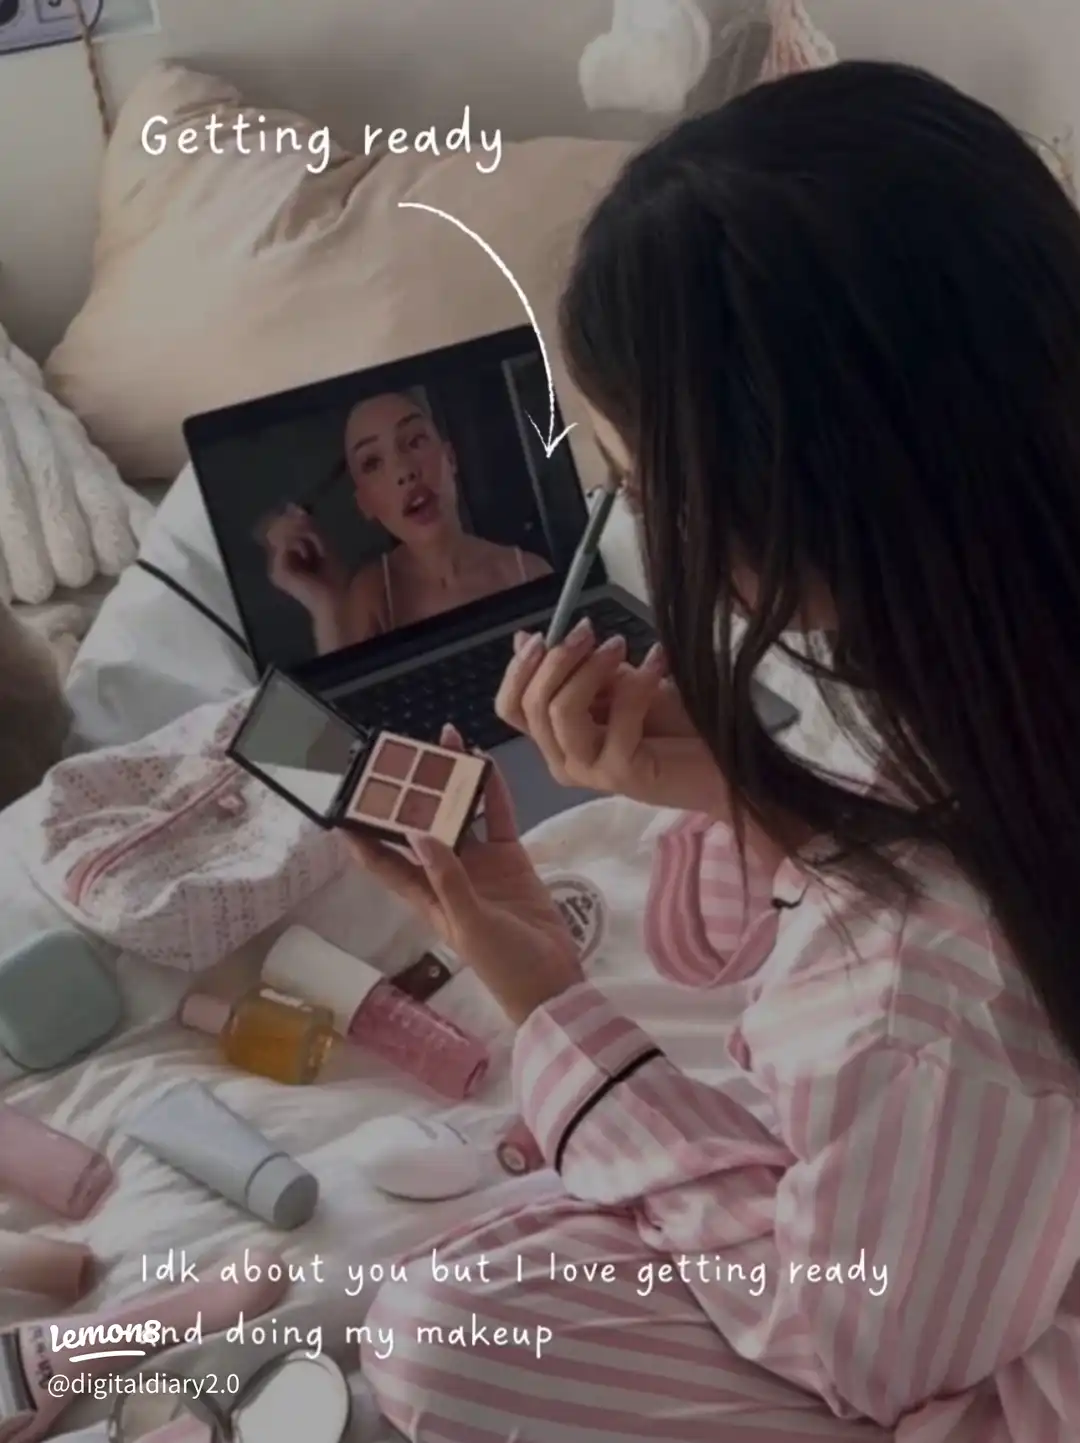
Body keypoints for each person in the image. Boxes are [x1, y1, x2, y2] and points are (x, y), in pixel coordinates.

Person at [347, 61, 1080, 1442]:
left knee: (446, 1324)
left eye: (632, 483)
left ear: (772, 504)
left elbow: (873, 1345)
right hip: (965, 1182)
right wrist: (755, 791)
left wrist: (561, 1016)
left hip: (952, 1341)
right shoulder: (996, 653)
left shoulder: (921, 981)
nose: (624, 524)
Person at [261, 391, 551, 652]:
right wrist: (325, 607)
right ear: (365, 504)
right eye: (373, 463)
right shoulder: (371, 595)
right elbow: (342, 709)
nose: (404, 471)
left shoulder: (529, 570)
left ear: (450, 459)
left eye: (414, 441)